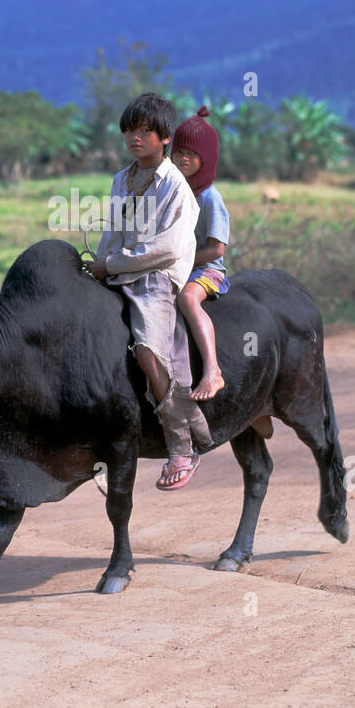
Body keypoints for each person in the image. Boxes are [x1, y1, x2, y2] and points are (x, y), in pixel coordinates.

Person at [87, 92, 211, 490]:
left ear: (165, 137)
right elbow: (112, 234)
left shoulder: (176, 185)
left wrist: (114, 264)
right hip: (119, 272)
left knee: (147, 350)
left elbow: (168, 248)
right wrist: (98, 266)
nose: (135, 138)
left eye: (145, 131)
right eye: (130, 130)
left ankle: (181, 446)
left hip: (156, 278)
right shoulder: (121, 179)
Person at [170, 106, 230, 401]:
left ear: (205, 159)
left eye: (191, 154)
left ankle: (212, 370)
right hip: (177, 266)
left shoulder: (210, 198)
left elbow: (216, 249)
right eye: (178, 151)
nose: (183, 158)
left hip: (207, 271)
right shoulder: (175, 192)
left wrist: (182, 260)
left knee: (187, 298)